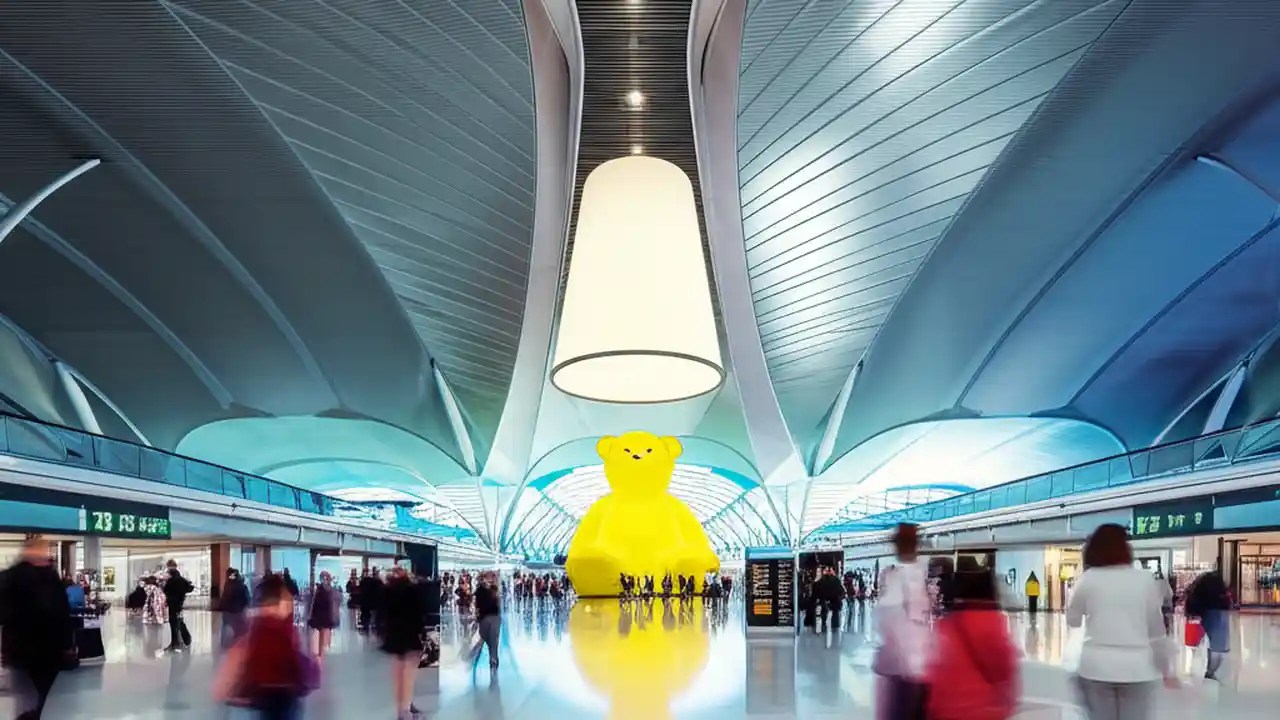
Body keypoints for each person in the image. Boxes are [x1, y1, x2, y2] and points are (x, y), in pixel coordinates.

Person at [1066, 524, 1172, 720]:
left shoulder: (1087, 579)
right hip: (1137, 668)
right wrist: (1165, 668)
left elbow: (1072, 620)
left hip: (1095, 667)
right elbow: (1156, 631)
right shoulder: (1145, 580)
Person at [214, 574, 314, 719]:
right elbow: (295, 655)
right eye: (287, 601)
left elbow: (239, 654)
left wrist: (226, 686)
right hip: (286, 693)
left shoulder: (257, 626)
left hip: (262, 690)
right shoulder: (284, 628)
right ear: (280, 602)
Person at [926, 569, 1018, 720]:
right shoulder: (992, 624)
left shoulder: (944, 626)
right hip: (982, 711)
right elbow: (1004, 669)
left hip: (945, 711)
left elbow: (932, 671)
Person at [0, 537, 74, 720]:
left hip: (48, 650)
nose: (43, 553)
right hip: (23, 648)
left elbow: (62, 613)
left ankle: (33, 714)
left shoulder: (51, 577)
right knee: (28, 696)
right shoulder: (13, 577)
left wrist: (67, 644)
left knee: (40, 694)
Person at [874, 523, 930, 720]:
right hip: (921, 670)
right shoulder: (920, 575)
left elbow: (888, 622)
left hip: (904, 673)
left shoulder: (895, 577)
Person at [381, 566, 426, 720]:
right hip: (410, 637)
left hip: (393, 638)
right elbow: (419, 614)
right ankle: (406, 711)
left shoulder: (387, 591)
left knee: (397, 675)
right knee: (409, 676)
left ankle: (401, 711)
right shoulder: (412, 590)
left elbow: (382, 614)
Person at [1185, 570, 1231, 681]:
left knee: (1198, 645)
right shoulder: (1220, 595)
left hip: (1202, 612)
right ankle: (1210, 672)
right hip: (1217, 612)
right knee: (1217, 646)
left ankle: (1202, 669)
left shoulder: (1198, 588)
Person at [307, 571, 340, 662]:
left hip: (323, 614)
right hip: (324, 614)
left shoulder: (321, 590)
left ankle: (322, 651)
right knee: (324, 632)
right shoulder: (329, 590)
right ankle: (322, 651)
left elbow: (314, 603)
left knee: (323, 632)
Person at [163, 559, 194, 652]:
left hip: (173, 606)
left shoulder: (170, 581)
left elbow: (165, 591)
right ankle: (186, 640)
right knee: (180, 622)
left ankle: (175, 643)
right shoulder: (182, 580)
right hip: (179, 605)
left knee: (174, 624)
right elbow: (190, 588)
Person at [473, 571, 501, 669]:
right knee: (492, 641)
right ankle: (493, 660)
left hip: (487, 617)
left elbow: (477, 605)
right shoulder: (491, 590)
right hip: (491, 617)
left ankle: (491, 660)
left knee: (488, 640)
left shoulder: (482, 590)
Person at [221, 568, 252, 649]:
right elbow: (247, 599)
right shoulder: (242, 585)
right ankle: (241, 645)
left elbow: (224, 598)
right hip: (239, 611)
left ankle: (226, 646)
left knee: (227, 628)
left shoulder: (227, 585)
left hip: (228, 611)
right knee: (240, 629)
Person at [358, 569, 381, 633]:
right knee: (375, 615)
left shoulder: (363, 581)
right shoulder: (377, 582)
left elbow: (361, 590)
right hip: (374, 602)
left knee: (365, 615)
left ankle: (366, 628)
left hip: (365, 601)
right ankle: (376, 628)